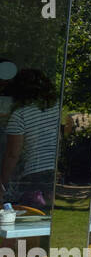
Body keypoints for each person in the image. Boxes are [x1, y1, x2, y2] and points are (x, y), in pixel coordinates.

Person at [1, 69, 60, 209]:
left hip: (34, 174)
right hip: (55, 170)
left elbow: (12, 154)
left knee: (32, 216)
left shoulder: (20, 115)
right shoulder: (56, 108)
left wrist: (2, 181)